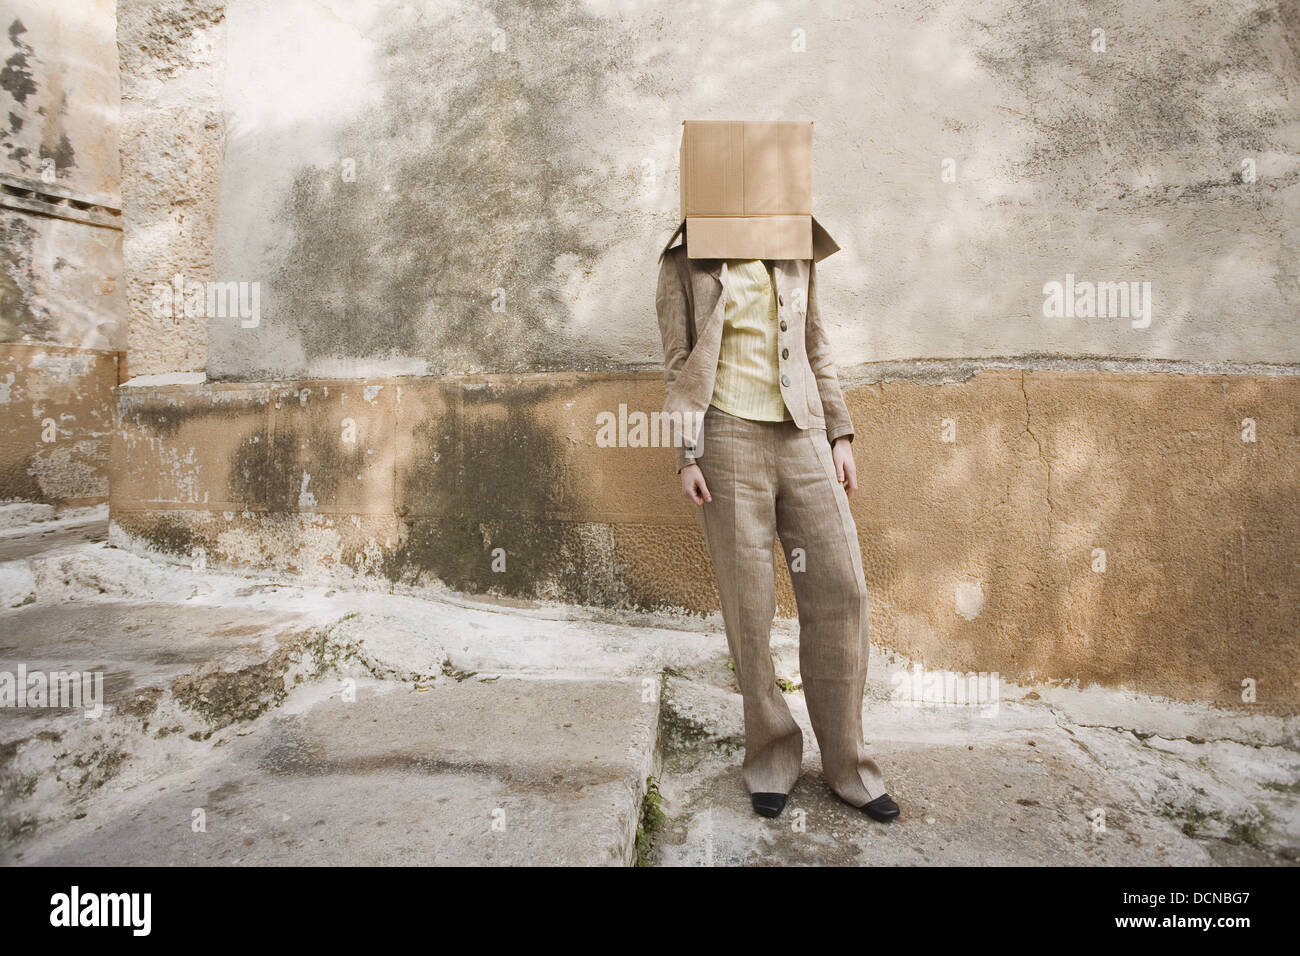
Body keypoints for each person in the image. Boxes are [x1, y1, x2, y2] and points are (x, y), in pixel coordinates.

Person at [655, 222, 900, 822]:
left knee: (843, 590)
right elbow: (677, 360)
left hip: (804, 433)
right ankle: (770, 757)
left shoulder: (794, 248)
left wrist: (839, 433)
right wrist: (686, 453)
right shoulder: (687, 256)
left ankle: (849, 766)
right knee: (749, 604)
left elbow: (817, 346)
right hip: (727, 437)